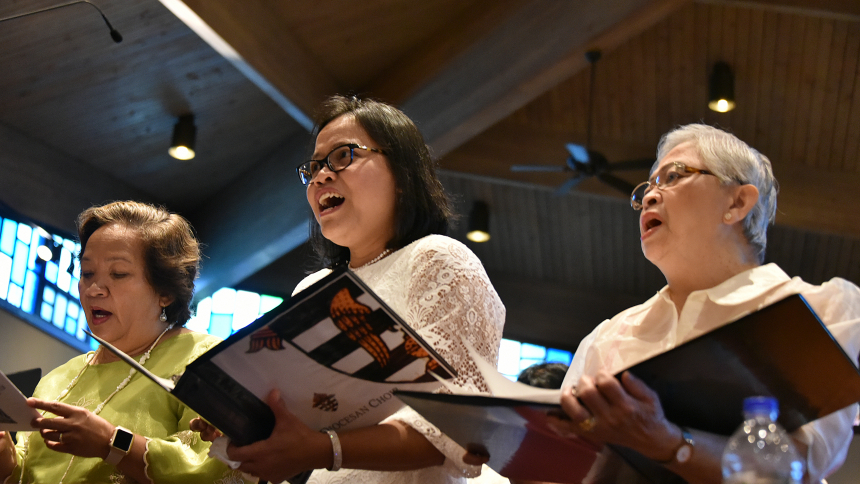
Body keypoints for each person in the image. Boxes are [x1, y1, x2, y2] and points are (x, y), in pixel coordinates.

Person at [192, 95, 506, 484]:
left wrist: (325, 449)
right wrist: (244, 422)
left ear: (404, 175)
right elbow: (301, 427)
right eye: (314, 166)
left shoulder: (437, 258)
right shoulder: (314, 286)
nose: (321, 175)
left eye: (343, 156)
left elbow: (455, 426)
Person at [551, 124, 860, 483]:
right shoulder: (608, 337)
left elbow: (801, 469)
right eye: (647, 188)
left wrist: (667, 442)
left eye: (674, 175)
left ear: (737, 202)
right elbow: (566, 466)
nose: (650, 196)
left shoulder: (820, 308)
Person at [0, 201, 253, 484]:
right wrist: (7, 462)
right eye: (87, 273)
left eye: (118, 274)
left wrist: (111, 442)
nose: (94, 289)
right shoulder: (57, 380)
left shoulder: (201, 359)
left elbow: (220, 466)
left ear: (165, 291)